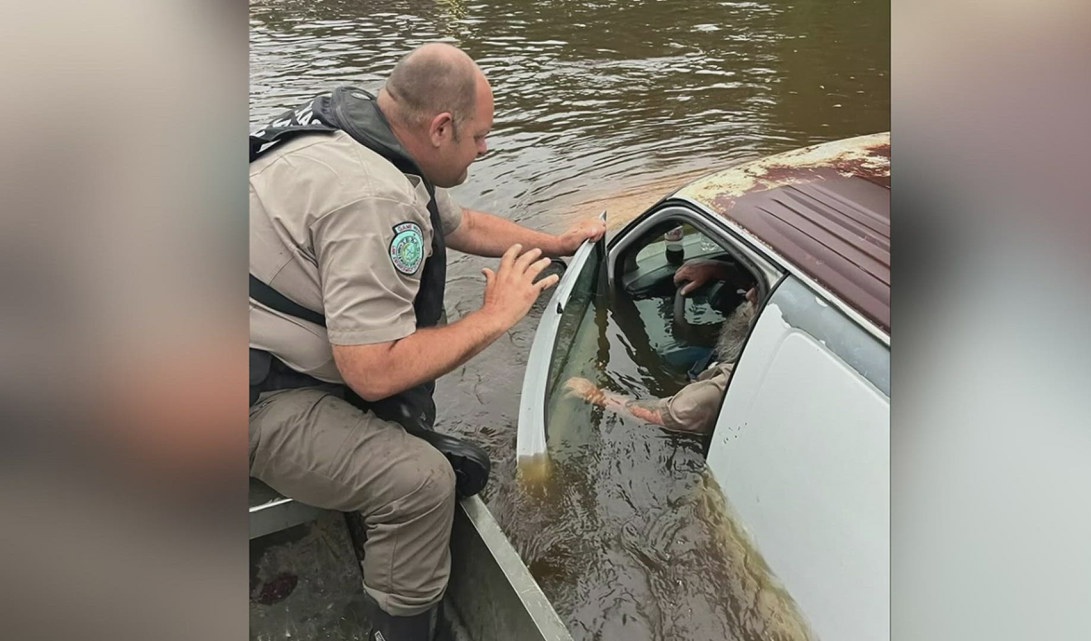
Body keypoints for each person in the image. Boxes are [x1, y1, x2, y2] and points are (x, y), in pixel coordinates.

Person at [248, 43, 604, 641]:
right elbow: (372, 371)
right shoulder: (374, 198)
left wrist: (556, 244)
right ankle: (407, 630)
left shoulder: (367, 136)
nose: (486, 150)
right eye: (480, 138)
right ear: (441, 129)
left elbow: (459, 224)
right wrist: (494, 317)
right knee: (421, 482)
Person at [564, 260, 760, 435]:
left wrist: (596, 395)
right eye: (755, 286)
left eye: (758, 294)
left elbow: (669, 414)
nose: (749, 295)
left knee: (663, 362)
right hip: (716, 361)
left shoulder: (732, 380)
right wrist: (719, 269)